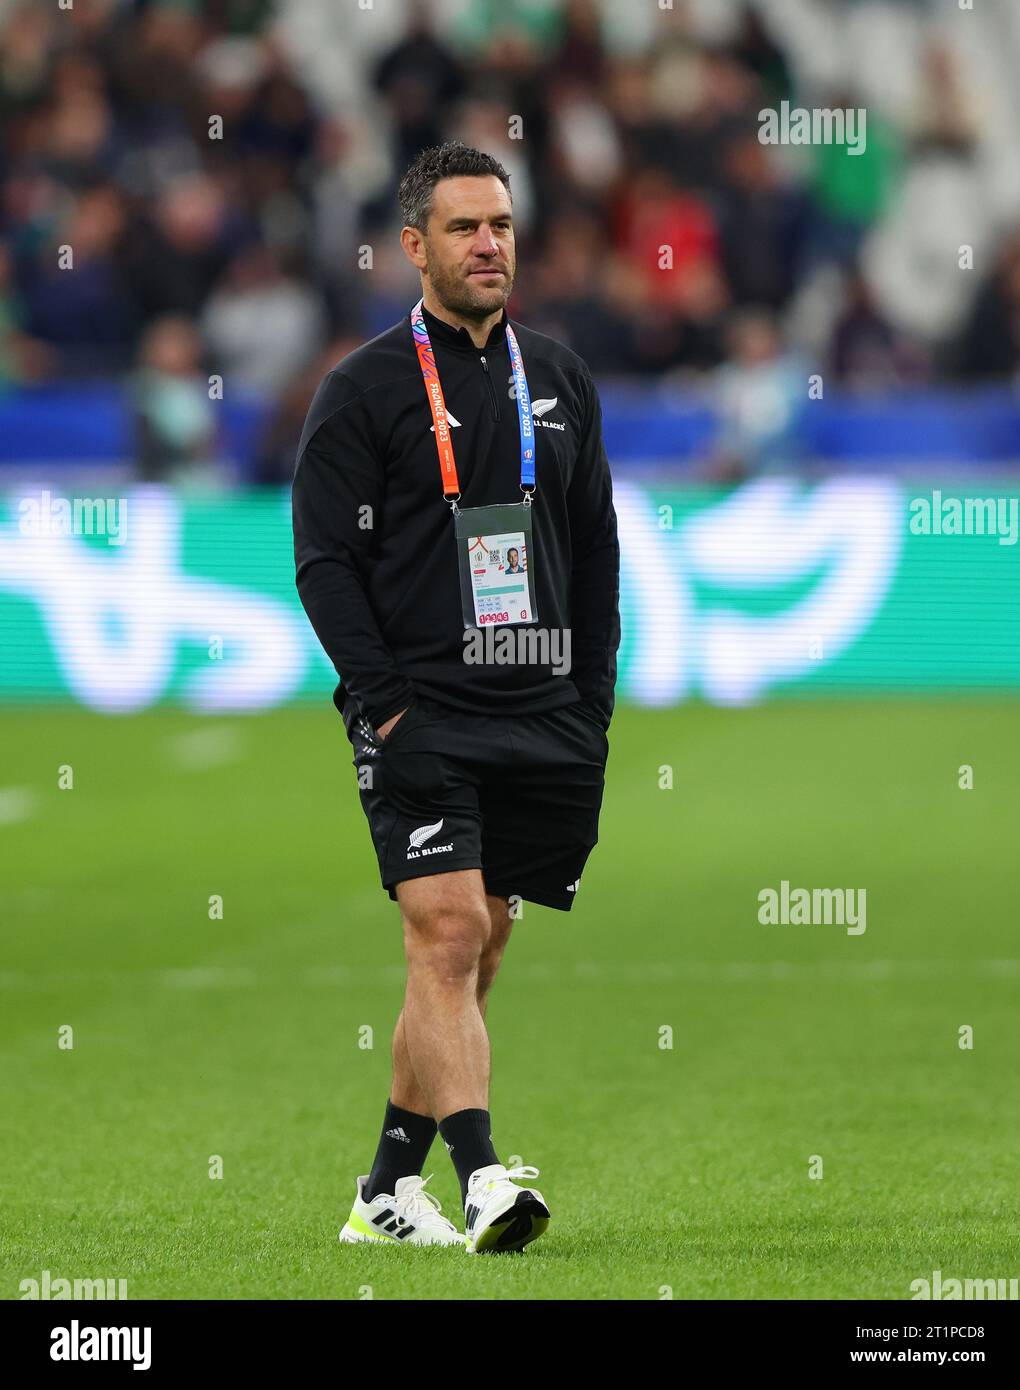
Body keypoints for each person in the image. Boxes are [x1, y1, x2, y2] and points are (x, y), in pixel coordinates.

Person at [292, 141, 619, 1254]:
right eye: (467, 227)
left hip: (542, 712)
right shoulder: (364, 388)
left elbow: (597, 552)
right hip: (418, 709)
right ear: (414, 247)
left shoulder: (563, 381)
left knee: (478, 950)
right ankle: (483, 1179)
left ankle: (387, 1187)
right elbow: (324, 564)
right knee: (440, 934)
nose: (491, 244)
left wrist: (595, 704)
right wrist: (383, 708)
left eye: (504, 225)